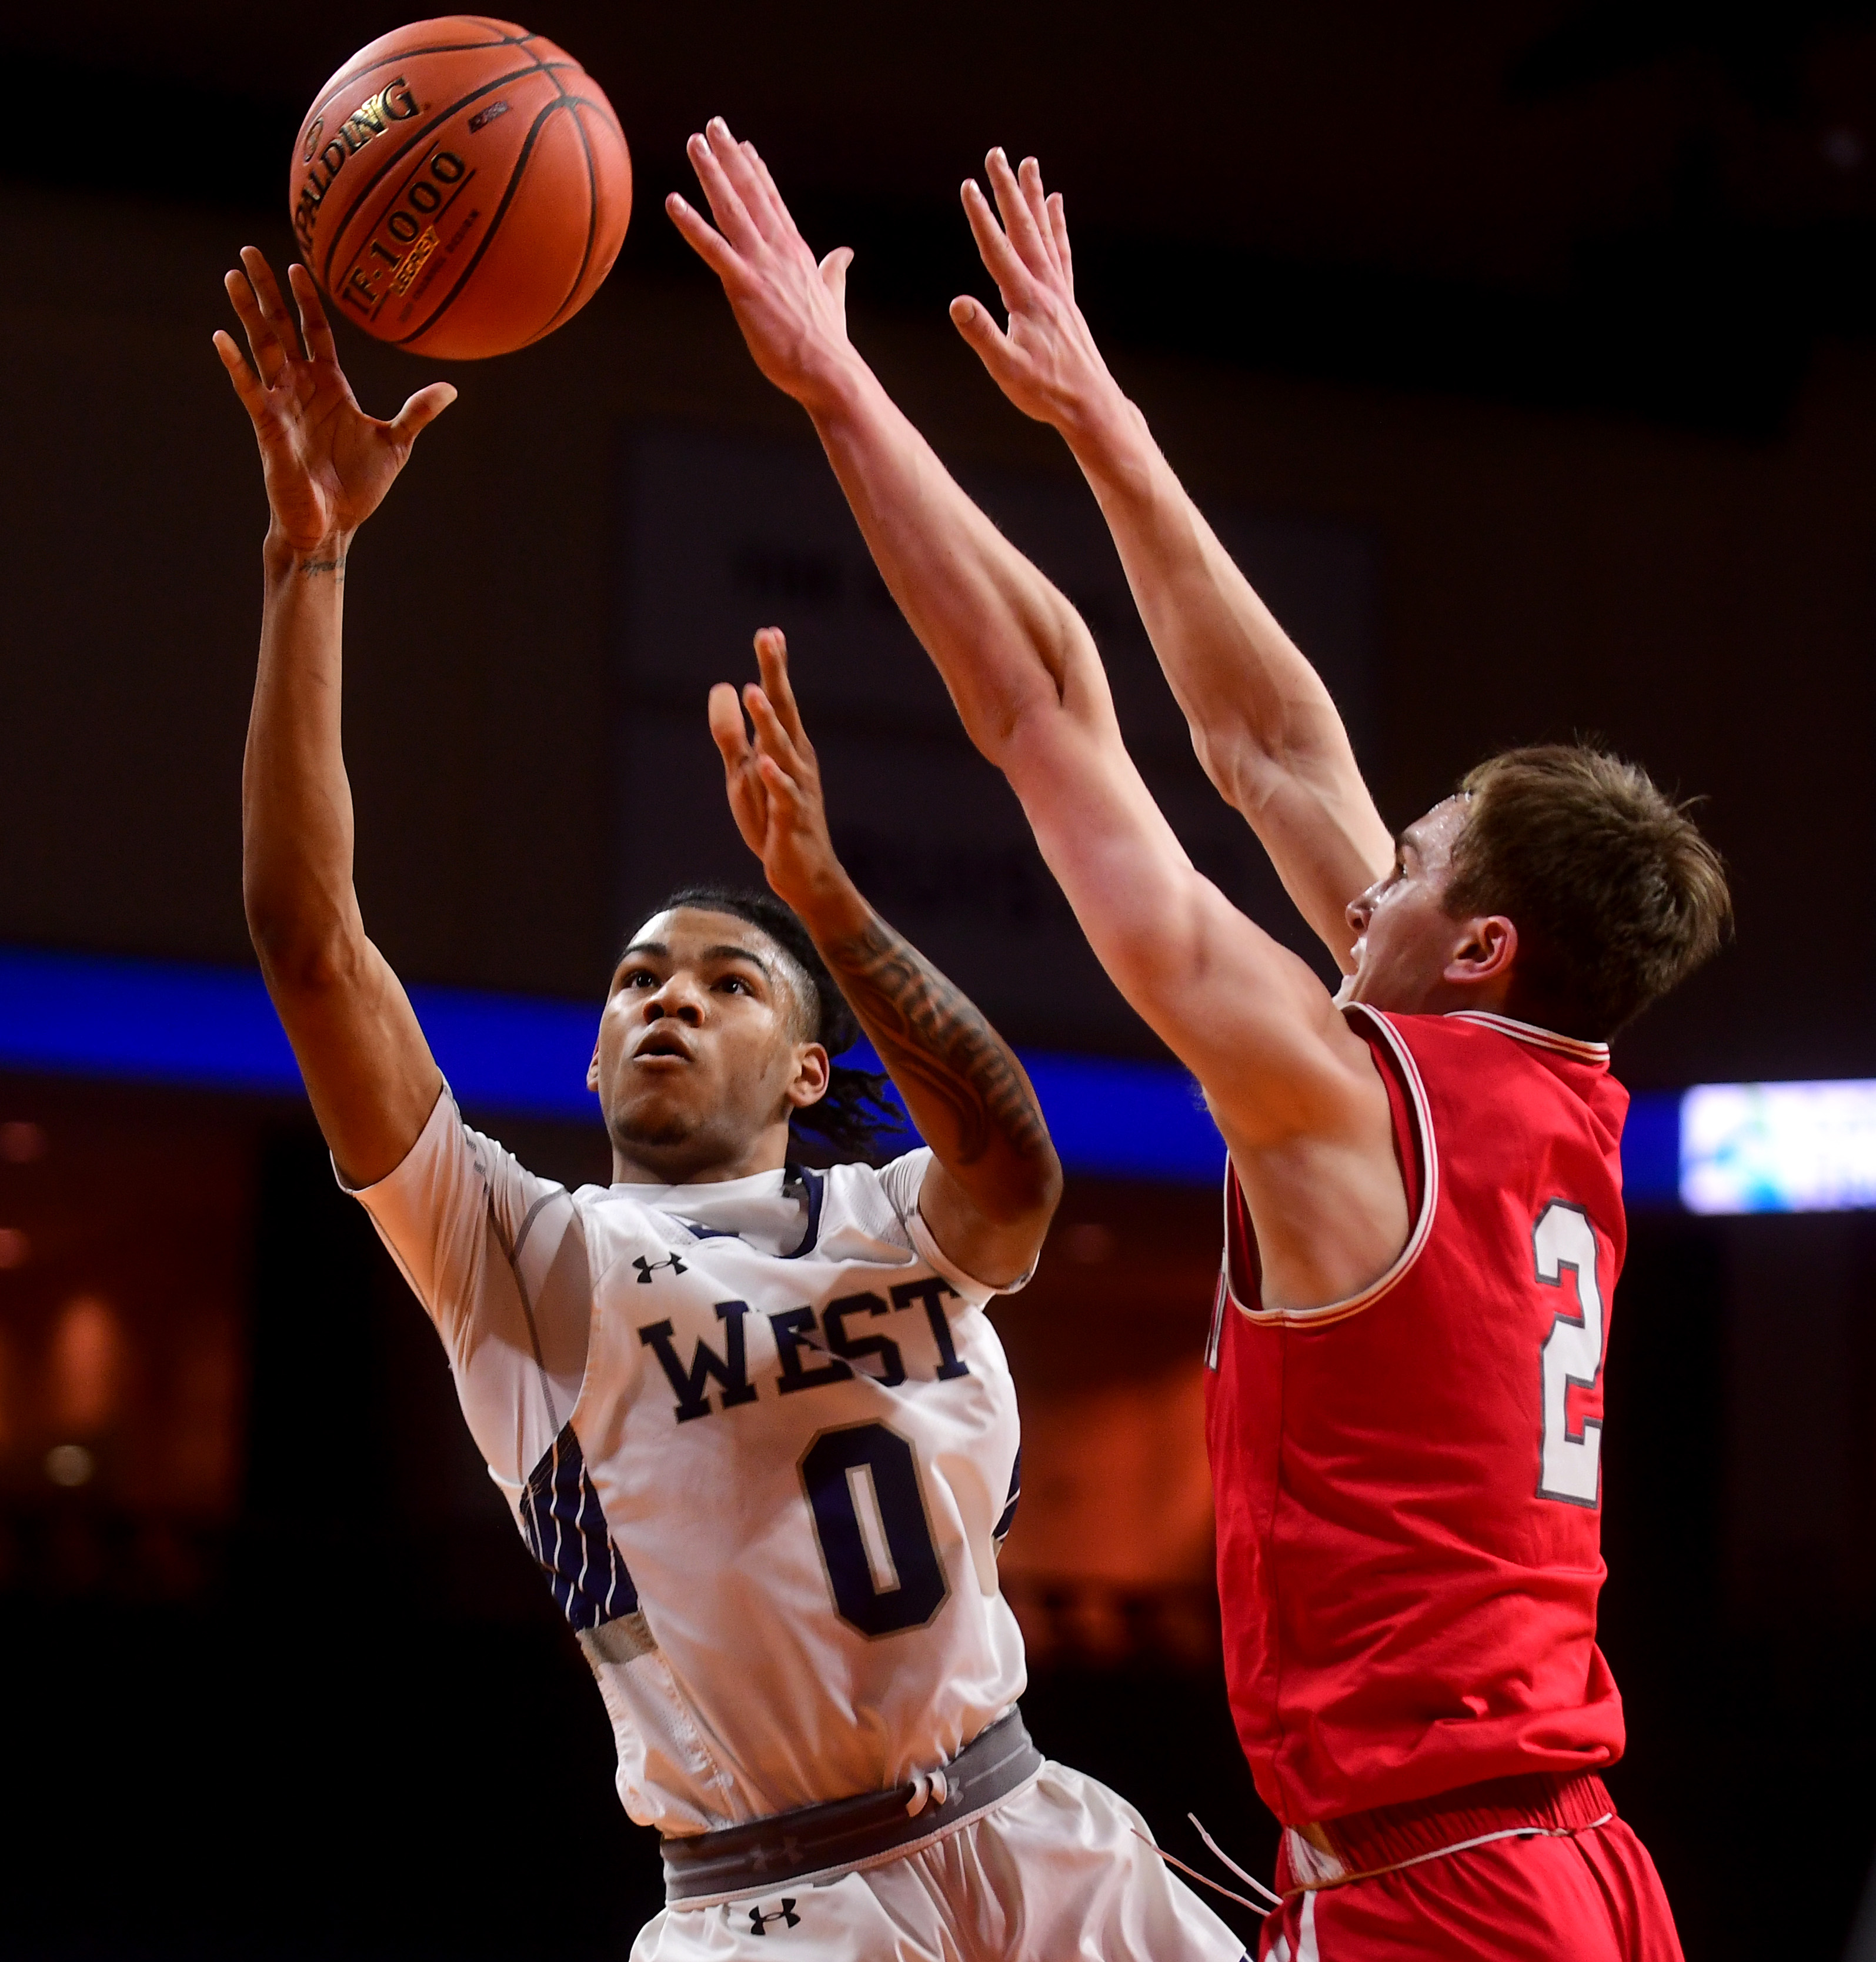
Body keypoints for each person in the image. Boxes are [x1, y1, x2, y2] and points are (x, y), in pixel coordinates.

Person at [670, 121, 1730, 1960]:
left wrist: (840, 391)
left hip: (1448, 1898)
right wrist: (1098, 415)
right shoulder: (1547, 1087)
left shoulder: (1349, 1102)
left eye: (1405, 866)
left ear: (1475, 945)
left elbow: (1042, 704)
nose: (1360, 874)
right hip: (1558, 1862)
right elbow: (1271, 754)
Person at [213, 248, 1250, 1962]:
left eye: (726, 979)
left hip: (1040, 1836)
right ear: (595, 1057)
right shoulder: (521, 1261)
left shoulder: (900, 1217)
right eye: (635, 980)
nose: (668, 995)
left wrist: (831, 903)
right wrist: (309, 555)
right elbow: (306, 941)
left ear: (811, 1069)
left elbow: (1016, 1170)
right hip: (777, 1901)